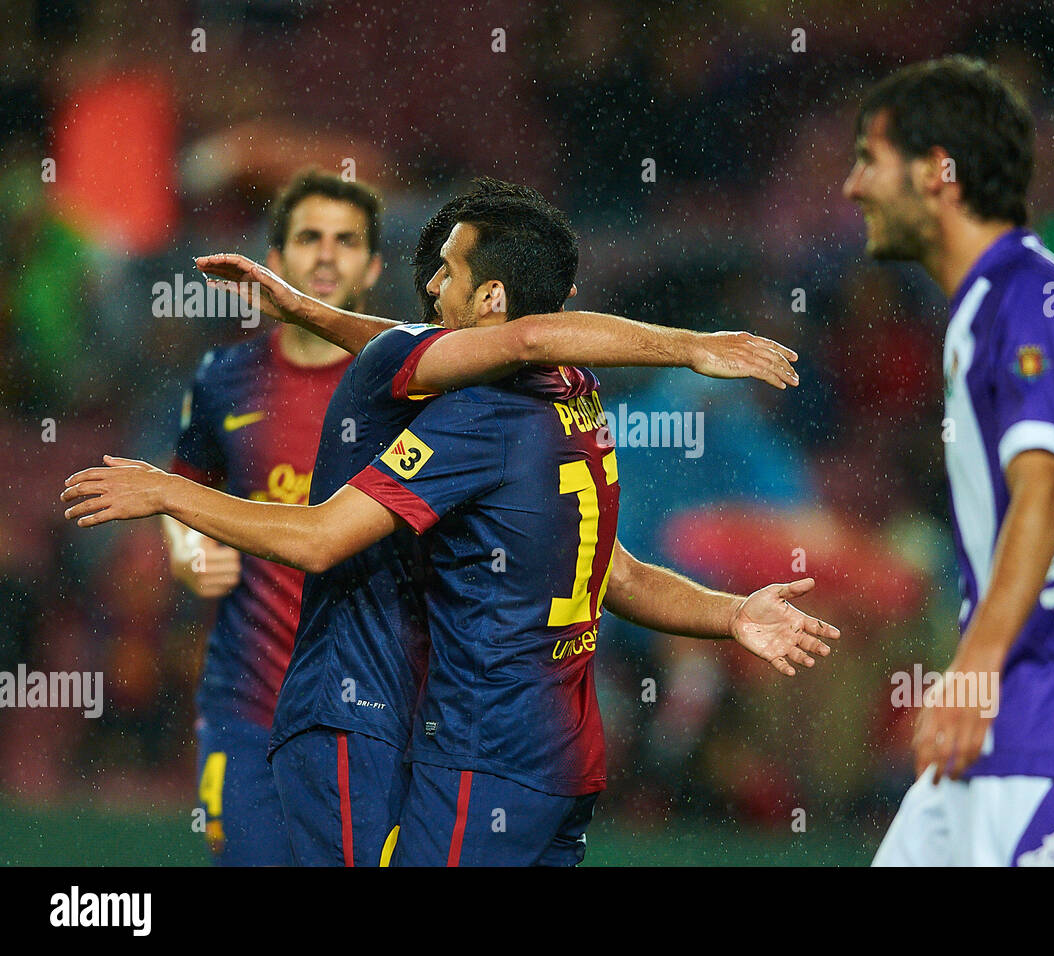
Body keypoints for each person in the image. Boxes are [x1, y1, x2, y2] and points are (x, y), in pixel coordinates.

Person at [65, 187, 832, 866]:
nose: (429, 284)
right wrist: (731, 613)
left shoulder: (473, 417)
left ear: (493, 298)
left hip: (465, 749)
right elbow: (619, 575)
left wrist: (167, 491)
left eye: (449, 272)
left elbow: (320, 536)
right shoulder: (581, 402)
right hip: (564, 763)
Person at [840, 56, 1054, 866]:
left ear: (939, 175)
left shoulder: (1029, 300)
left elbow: (1045, 493)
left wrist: (971, 673)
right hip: (999, 735)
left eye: (868, 159)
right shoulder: (984, 311)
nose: (851, 187)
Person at [164, 168, 380, 865]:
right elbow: (183, 489)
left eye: (345, 241)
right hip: (247, 706)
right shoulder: (224, 377)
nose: (325, 255)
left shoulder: (408, 387)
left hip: (372, 711)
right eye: (308, 238)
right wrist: (185, 549)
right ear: (276, 259)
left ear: (373, 266)